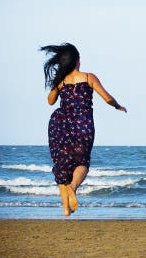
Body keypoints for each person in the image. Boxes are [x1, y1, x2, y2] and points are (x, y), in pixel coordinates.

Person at [41, 43, 126, 217]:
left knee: (62, 167)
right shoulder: (88, 77)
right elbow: (107, 97)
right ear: (77, 60)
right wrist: (117, 105)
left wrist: (57, 83)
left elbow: (50, 101)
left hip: (60, 124)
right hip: (83, 124)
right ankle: (73, 187)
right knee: (82, 162)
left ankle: (66, 209)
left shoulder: (61, 80)